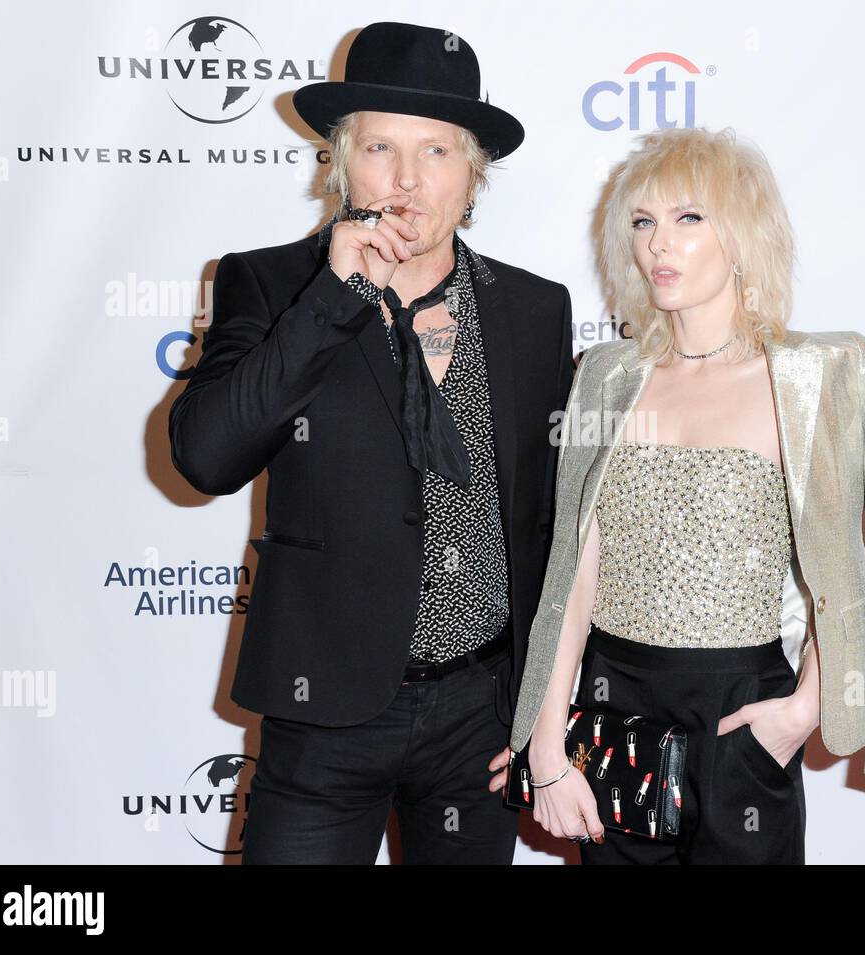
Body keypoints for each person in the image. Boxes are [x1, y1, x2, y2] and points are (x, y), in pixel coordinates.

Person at [168, 21, 575, 864]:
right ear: (341, 163)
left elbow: (560, 524)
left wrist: (545, 704)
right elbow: (205, 458)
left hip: (482, 721)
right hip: (324, 717)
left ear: (473, 177)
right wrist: (334, 298)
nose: (406, 180)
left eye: (436, 152)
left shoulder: (535, 310)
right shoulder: (270, 283)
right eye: (381, 147)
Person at [507, 126, 865, 865]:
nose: (658, 245)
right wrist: (546, 746)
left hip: (744, 708)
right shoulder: (607, 376)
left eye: (688, 218)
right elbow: (572, 577)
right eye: (642, 222)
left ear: (741, 236)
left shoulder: (816, 376)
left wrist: (805, 705)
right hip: (613, 709)